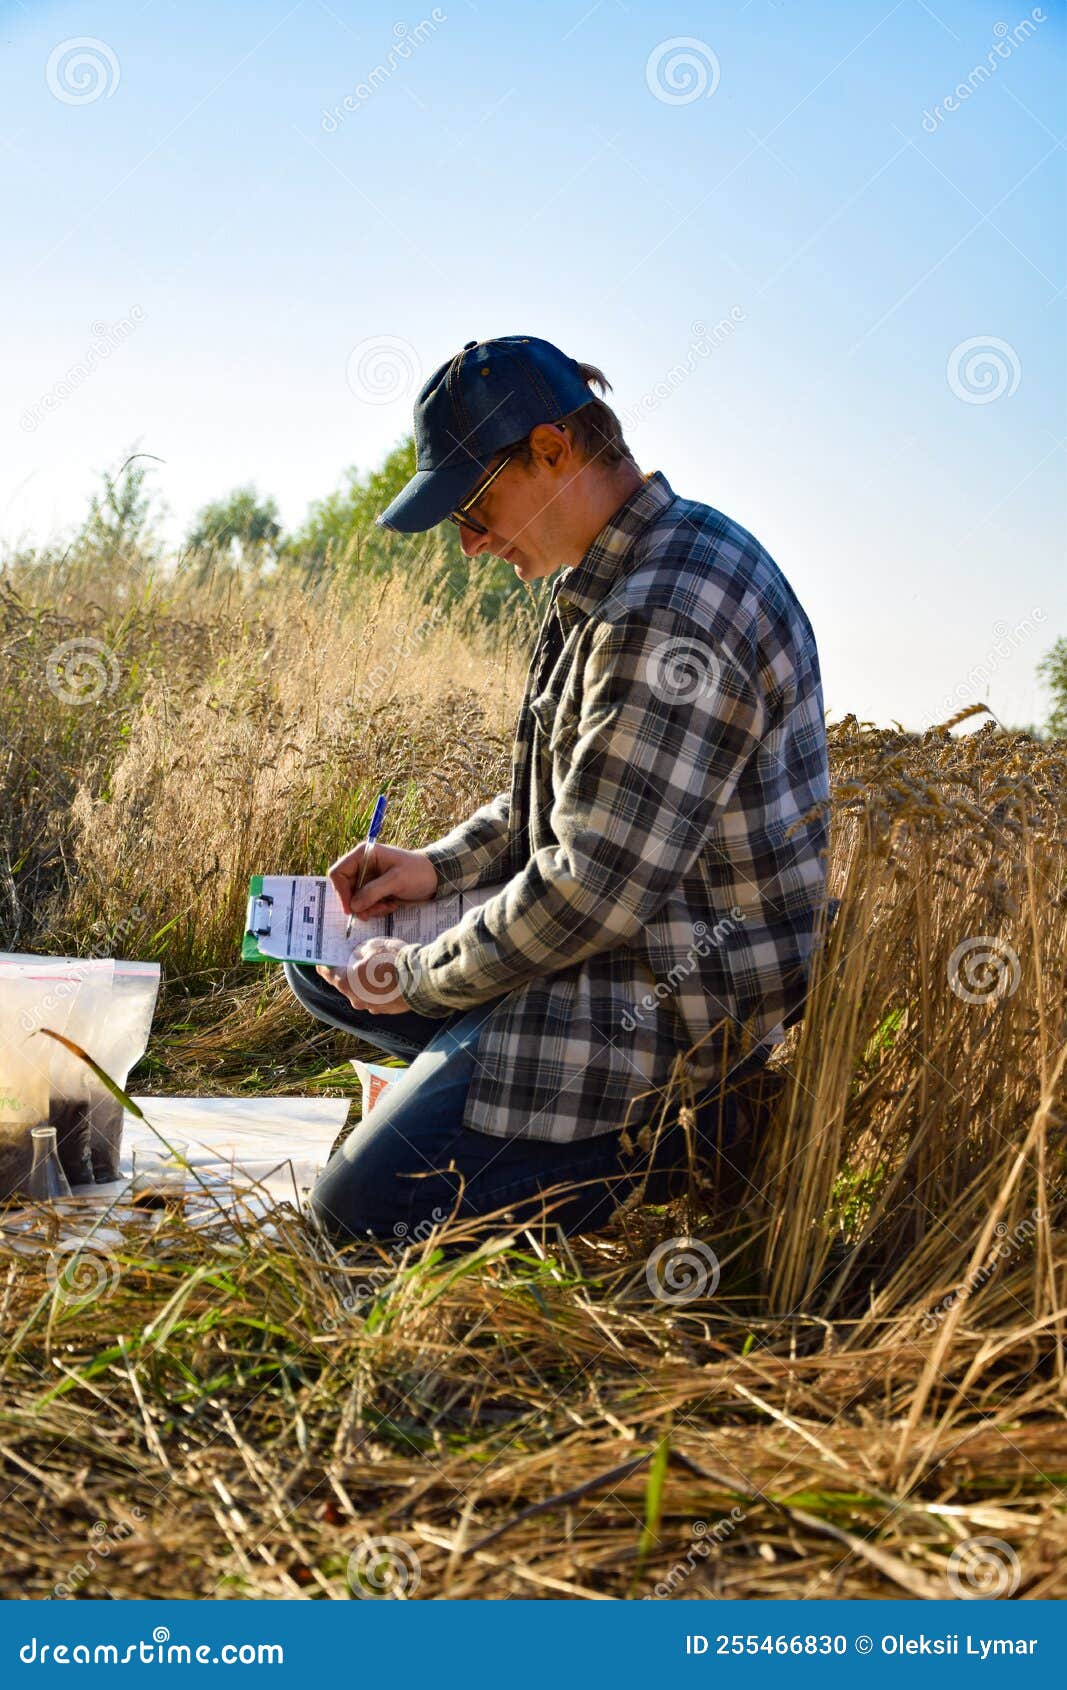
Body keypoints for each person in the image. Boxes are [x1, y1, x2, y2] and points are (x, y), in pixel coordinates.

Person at [285, 334, 833, 1248]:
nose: (468, 544)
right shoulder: (605, 572)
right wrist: (427, 870)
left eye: (472, 505)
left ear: (551, 449)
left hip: (671, 996)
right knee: (325, 965)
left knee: (357, 1217)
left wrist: (423, 975)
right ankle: (480, 1091)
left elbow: (589, 888)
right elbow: (558, 802)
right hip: (618, 935)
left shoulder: (664, 610)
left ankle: (684, 1137)